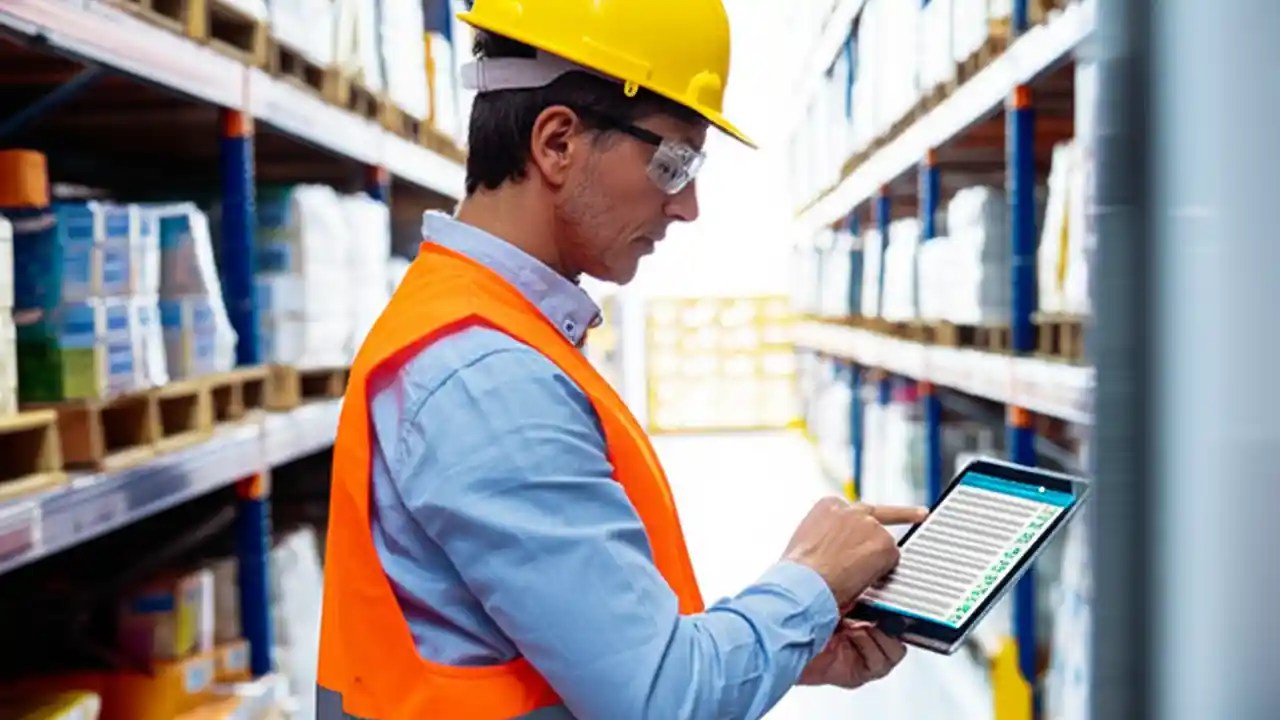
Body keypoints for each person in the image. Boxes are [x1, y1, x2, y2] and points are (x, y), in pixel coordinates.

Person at [317, 1, 928, 718]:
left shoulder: (484, 328)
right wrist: (812, 582)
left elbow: (574, 650)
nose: (688, 205)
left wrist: (782, 644)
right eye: (675, 162)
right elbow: (661, 701)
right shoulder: (489, 377)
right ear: (556, 143)